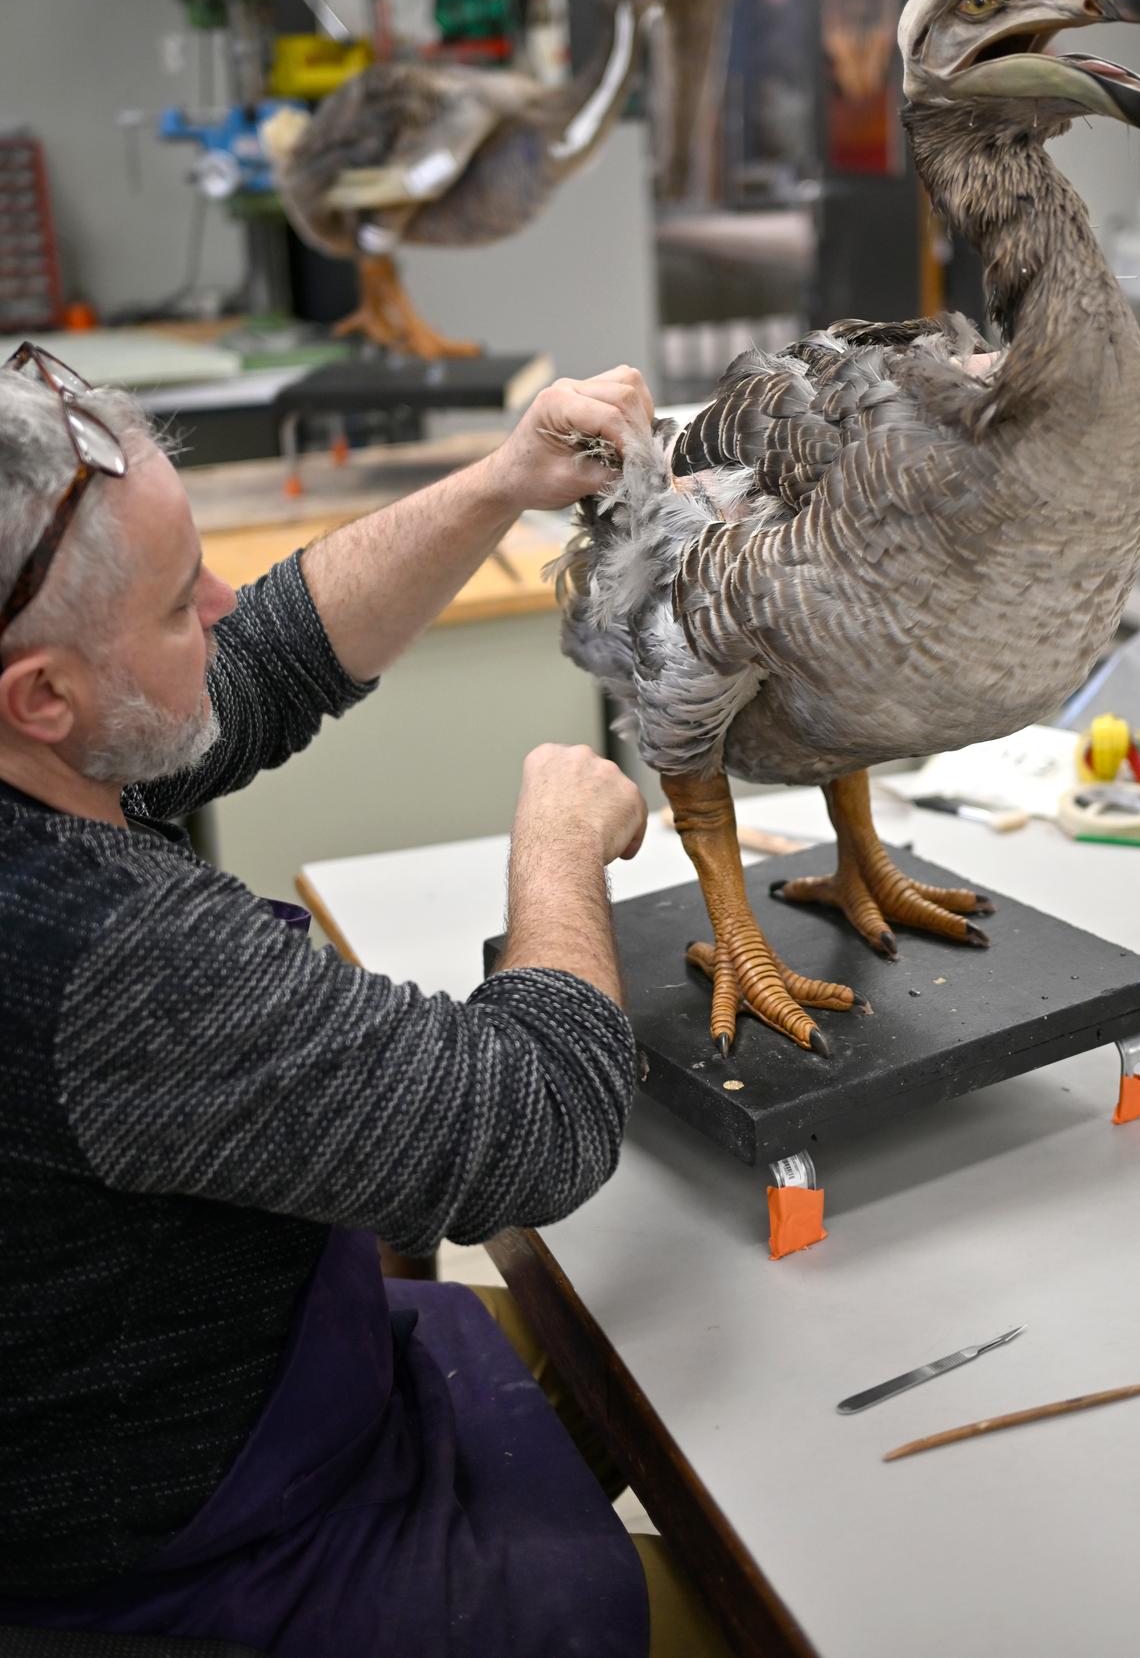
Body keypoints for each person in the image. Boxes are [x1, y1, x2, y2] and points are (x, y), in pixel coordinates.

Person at [0, 344, 730, 1658]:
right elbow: (539, 1118)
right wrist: (556, 850)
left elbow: (269, 658)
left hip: (220, 1386)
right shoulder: (107, 963)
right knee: (725, 1614)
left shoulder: (47, 744)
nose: (220, 602)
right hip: (199, 1557)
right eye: (177, 606)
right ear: (44, 695)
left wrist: (507, 479)